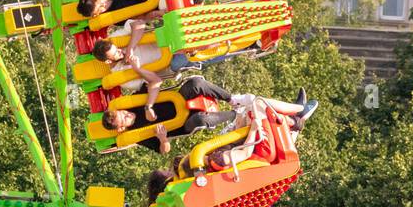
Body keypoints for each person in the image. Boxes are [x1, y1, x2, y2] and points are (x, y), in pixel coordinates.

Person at [103, 78, 314, 154]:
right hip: (183, 123)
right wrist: (163, 139)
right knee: (199, 120)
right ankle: (235, 114)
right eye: (125, 118)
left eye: (123, 112)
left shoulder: (134, 102)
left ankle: (233, 99)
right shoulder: (137, 136)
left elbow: (154, 82)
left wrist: (149, 104)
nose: (127, 114)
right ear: (122, 128)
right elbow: (164, 151)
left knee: (195, 84)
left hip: (176, 100)